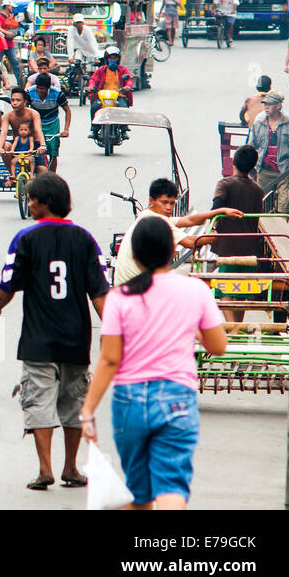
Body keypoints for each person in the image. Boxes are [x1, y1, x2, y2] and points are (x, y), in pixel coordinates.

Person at [79, 216, 228, 510]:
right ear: (173, 251)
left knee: (139, 493)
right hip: (177, 397)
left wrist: (87, 410)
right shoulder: (196, 290)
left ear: (133, 254)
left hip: (130, 402)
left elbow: (109, 359)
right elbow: (218, 346)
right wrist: (194, 329)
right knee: (171, 485)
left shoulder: (120, 297)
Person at [0, 173, 109, 491]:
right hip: (75, 336)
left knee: (39, 400)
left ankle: (45, 469)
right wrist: (111, 328)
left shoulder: (24, 239)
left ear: (46, 203)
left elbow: (8, 285)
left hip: (38, 339)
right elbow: (98, 292)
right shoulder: (85, 239)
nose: (28, 204)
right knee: (73, 402)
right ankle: (71, 467)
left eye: (32, 199)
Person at [112, 178, 240, 287]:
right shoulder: (157, 220)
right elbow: (190, 242)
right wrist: (211, 237)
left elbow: (189, 220)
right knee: (192, 276)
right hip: (138, 285)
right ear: (151, 201)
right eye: (164, 203)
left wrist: (219, 211)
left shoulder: (147, 214)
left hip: (128, 284)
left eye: (172, 203)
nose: (168, 208)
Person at [210, 145, 267, 322]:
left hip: (228, 247)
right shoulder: (258, 190)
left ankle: (233, 328)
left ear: (233, 162)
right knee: (241, 290)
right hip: (249, 247)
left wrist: (213, 226)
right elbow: (258, 219)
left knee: (226, 289)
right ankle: (237, 326)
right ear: (253, 167)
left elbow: (216, 208)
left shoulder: (224, 184)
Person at [249, 90, 289, 213]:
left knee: (283, 206)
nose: (266, 107)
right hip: (264, 170)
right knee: (262, 206)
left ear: (278, 106)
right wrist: (251, 168)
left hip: (283, 170)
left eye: (269, 104)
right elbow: (252, 146)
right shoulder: (259, 122)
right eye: (265, 104)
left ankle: (280, 230)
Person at [26, 72, 71, 174]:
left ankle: (52, 176)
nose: (39, 91)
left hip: (52, 123)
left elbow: (67, 111)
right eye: (38, 88)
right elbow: (25, 110)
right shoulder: (29, 92)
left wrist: (66, 130)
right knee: (32, 148)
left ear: (48, 88)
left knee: (53, 151)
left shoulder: (57, 94)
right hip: (36, 123)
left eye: (42, 89)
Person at [0, 87, 45, 184]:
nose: (14, 103)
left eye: (18, 100)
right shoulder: (8, 116)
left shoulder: (33, 114)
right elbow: (3, 133)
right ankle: (12, 175)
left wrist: (42, 144)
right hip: (17, 145)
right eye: (13, 100)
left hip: (33, 145)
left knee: (42, 171)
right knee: (6, 145)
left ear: (25, 102)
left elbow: (38, 129)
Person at [87, 45, 133, 135]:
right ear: (106, 59)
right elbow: (93, 79)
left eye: (115, 58)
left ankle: (124, 129)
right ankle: (95, 129)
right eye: (110, 58)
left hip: (119, 95)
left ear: (118, 59)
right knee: (94, 107)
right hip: (103, 96)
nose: (112, 60)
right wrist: (91, 86)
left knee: (123, 108)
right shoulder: (101, 70)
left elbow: (129, 79)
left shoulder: (123, 69)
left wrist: (127, 86)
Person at [0, 0, 22, 76]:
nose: (12, 7)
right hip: (1, 43)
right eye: (11, 6)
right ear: (6, 6)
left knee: (15, 61)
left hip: (9, 43)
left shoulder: (10, 16)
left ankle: (20, 81)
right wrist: (7, 33)